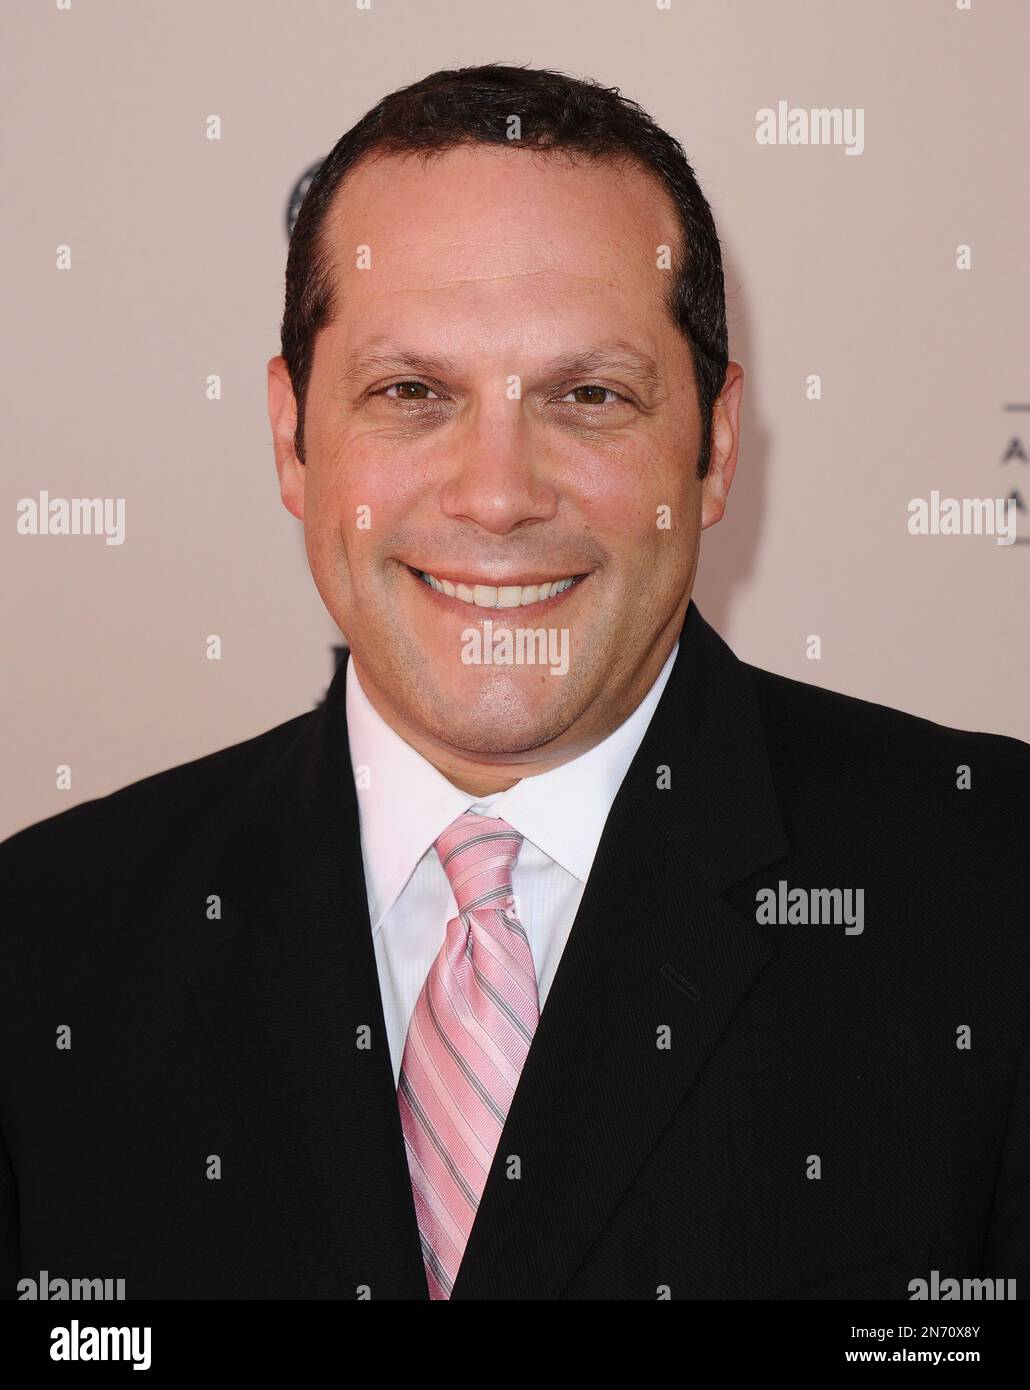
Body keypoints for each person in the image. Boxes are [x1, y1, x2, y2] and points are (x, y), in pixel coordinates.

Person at [2, 64, 1027, 1302]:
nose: (495, 494)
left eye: (587, 396)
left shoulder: (993, 887)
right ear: (292, 439)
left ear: (710, 446)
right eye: (411, 393)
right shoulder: (43, 943)